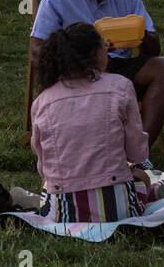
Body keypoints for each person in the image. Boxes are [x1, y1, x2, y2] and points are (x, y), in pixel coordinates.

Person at [30, 0, 164, 147]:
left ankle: (139, 150)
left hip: (118, 66)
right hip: (76, 69)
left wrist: (139, 34)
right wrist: (70, 61)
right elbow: (36, 50)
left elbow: (154, 49)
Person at [30, 22, 151, 222]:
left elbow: (43, 167)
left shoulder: (43, 101)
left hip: (63, 214)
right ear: (96, 54)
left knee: (46, 182)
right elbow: (137, 153)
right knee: (143, 177)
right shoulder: (120, 86)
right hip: (117, 208)